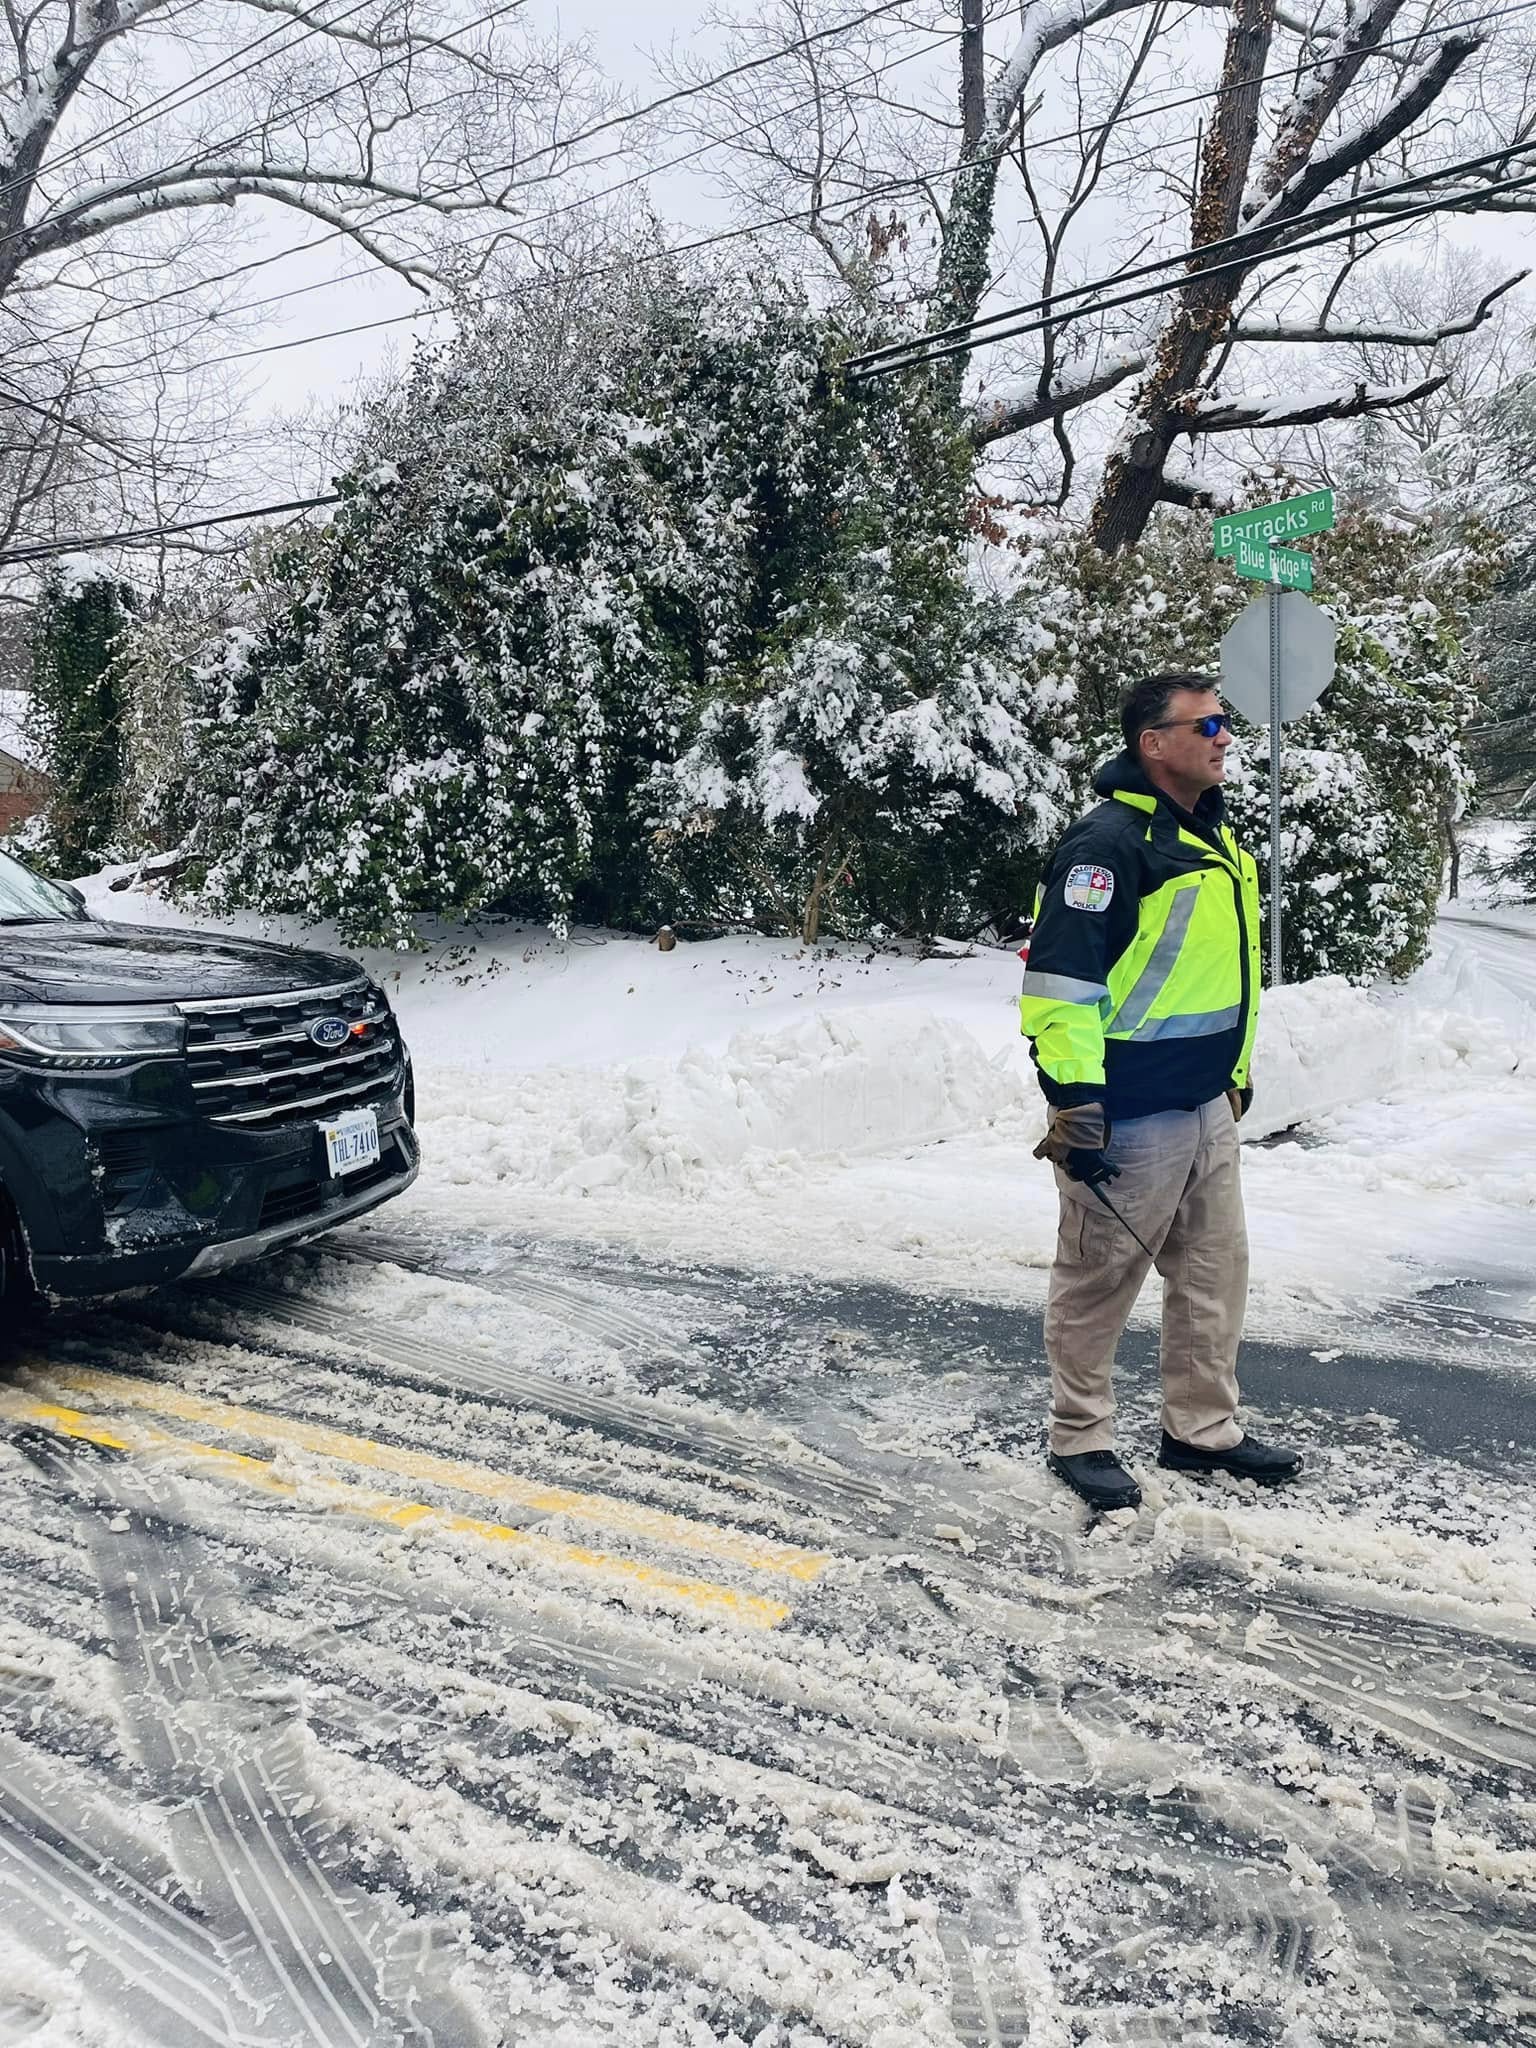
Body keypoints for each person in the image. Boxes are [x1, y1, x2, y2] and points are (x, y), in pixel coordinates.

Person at [1019, 672, 1303, 1512]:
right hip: (1127, 1112)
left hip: (1207, 1103)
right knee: (1099, 1278)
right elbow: (1059, 988)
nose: (1223, 736)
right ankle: (1080, 1434)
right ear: (1153, 743)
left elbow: (1223, 977)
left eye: (1225, 720)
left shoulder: (1207, 835)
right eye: (1207, 723)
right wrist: (1077, 1101)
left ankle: (1200, 1430)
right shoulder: (1105, 847)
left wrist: (1235, 1079)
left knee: (1215, 1274)